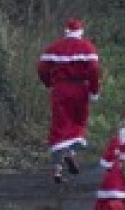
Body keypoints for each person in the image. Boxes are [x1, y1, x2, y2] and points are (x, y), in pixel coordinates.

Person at [37, 19, 101, 183]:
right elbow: (94, 70)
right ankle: (70, 153)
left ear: (65, 31)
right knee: (78, 124)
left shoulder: (54, 47)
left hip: (60, 89)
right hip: (80, 89)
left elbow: (42, 68)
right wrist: (94, 90)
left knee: (60, 124)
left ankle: (57, 167)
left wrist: (48, 83)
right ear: (81, 32)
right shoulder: (87, 47)